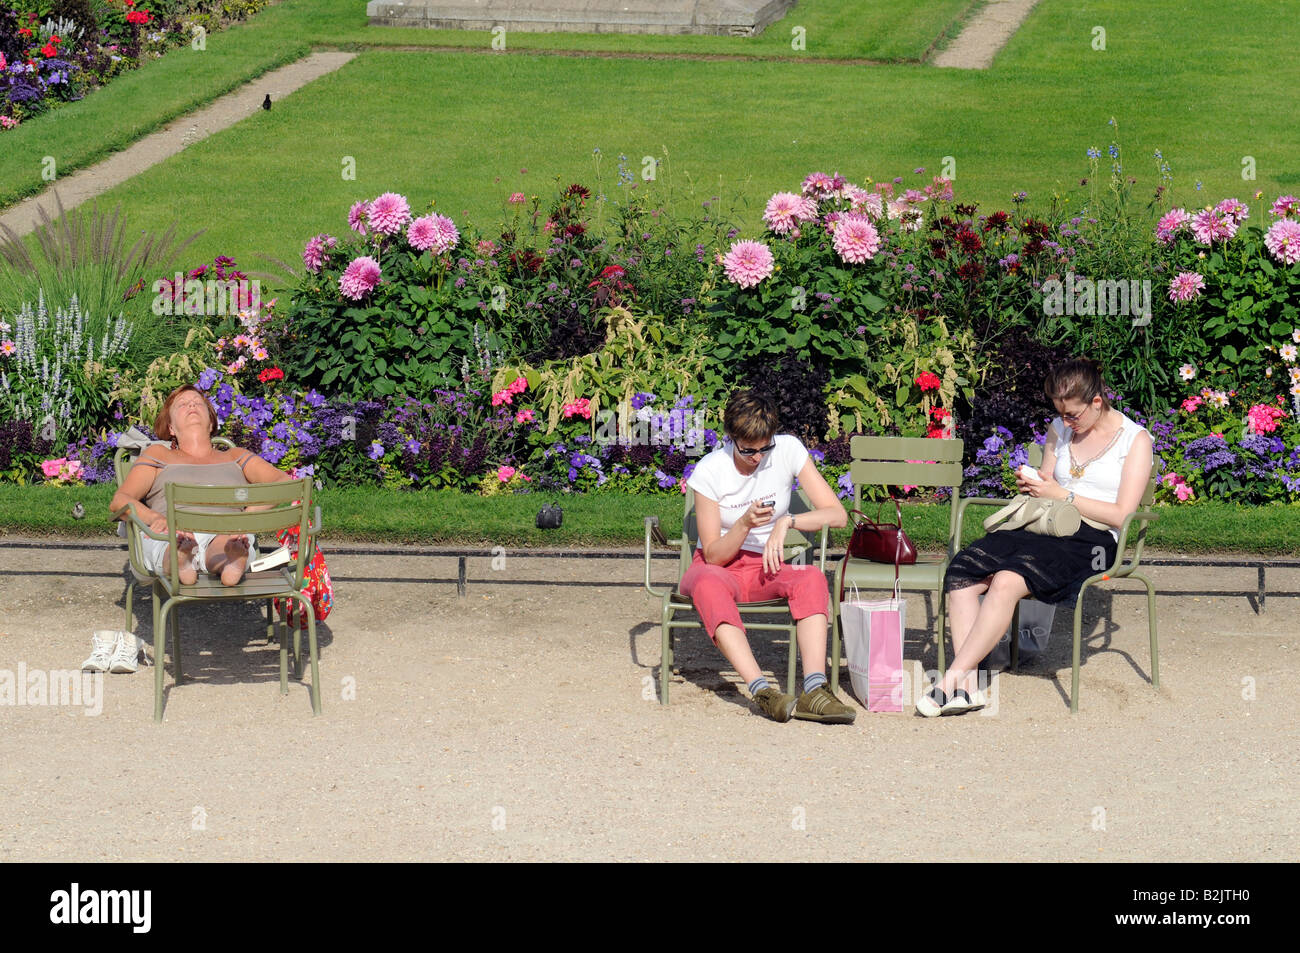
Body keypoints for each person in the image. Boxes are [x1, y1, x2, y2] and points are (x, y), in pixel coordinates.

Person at [919, 357, 1154, 717]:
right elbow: (1047, 485)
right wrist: (1036, 484)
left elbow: (1123, 515)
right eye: (1061, 414)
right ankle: (969, 689)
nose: (1067, 423)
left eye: (1074, 415)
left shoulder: (1134, 440)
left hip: (1095, 540)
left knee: (1009, 580)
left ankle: (950, 680)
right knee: (962, 571)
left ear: (1096, 402)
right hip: (1046, 525)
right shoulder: (1059, 429)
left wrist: (1065, 496)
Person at [90, 385, 292, 674]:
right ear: (171, 427)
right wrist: (150, 515)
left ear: (211, 422)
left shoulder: (236, 455)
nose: (192, 406)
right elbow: (120, 501)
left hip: (224, 532)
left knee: (227, 538)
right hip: (171, 531)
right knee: (175, 539)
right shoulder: (158, 455)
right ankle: (181, 559)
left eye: (198, 402)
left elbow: (283, 484)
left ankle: (229, 560)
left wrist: (247, 517)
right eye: (182, 404)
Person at [681, 390, 855, 723]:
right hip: (720, 566)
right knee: (706, 582)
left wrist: (789, 521)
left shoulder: (788, 449)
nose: (758, 457)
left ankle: (815, 691)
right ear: (732, 438)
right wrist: (744, 523)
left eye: (765, 448)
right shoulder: (710, 471)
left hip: (765, 565)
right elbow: (714, 555)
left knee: (812, 578)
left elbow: (837, 514)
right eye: (748, 450)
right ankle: (761, 690)